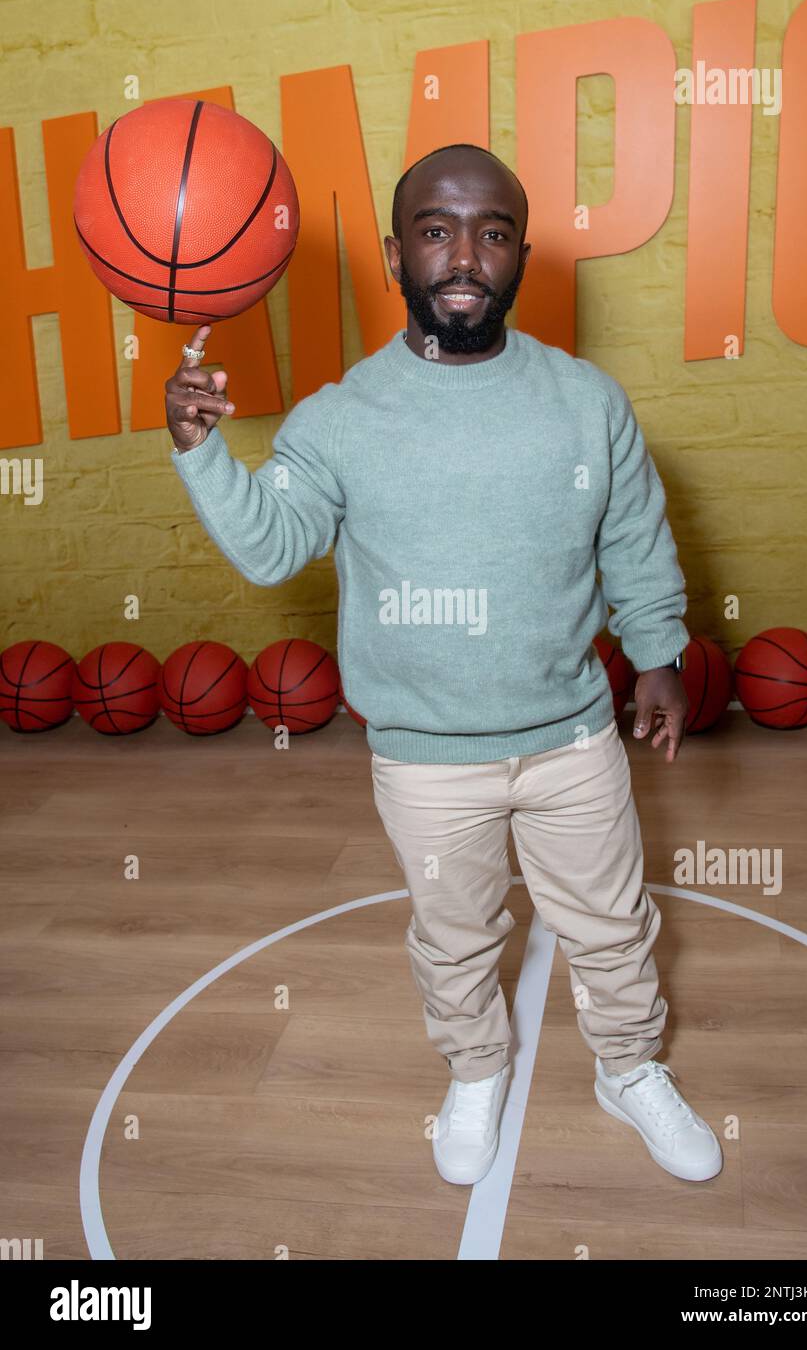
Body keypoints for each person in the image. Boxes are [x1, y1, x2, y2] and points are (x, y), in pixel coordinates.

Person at [164, 142, 723, 1187]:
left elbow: (634, 536)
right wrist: (202, 449)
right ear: (395, 253)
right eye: (436, 230)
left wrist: (655, 654)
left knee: (610, 925)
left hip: (569, 739)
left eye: (491, 232)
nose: (463, 253)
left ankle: (627, 1067)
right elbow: (274, 543)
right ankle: (475, 1070)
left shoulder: (583, 401)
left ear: (519, 256)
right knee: (456, 936)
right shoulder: (338, 419)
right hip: (424, 760)